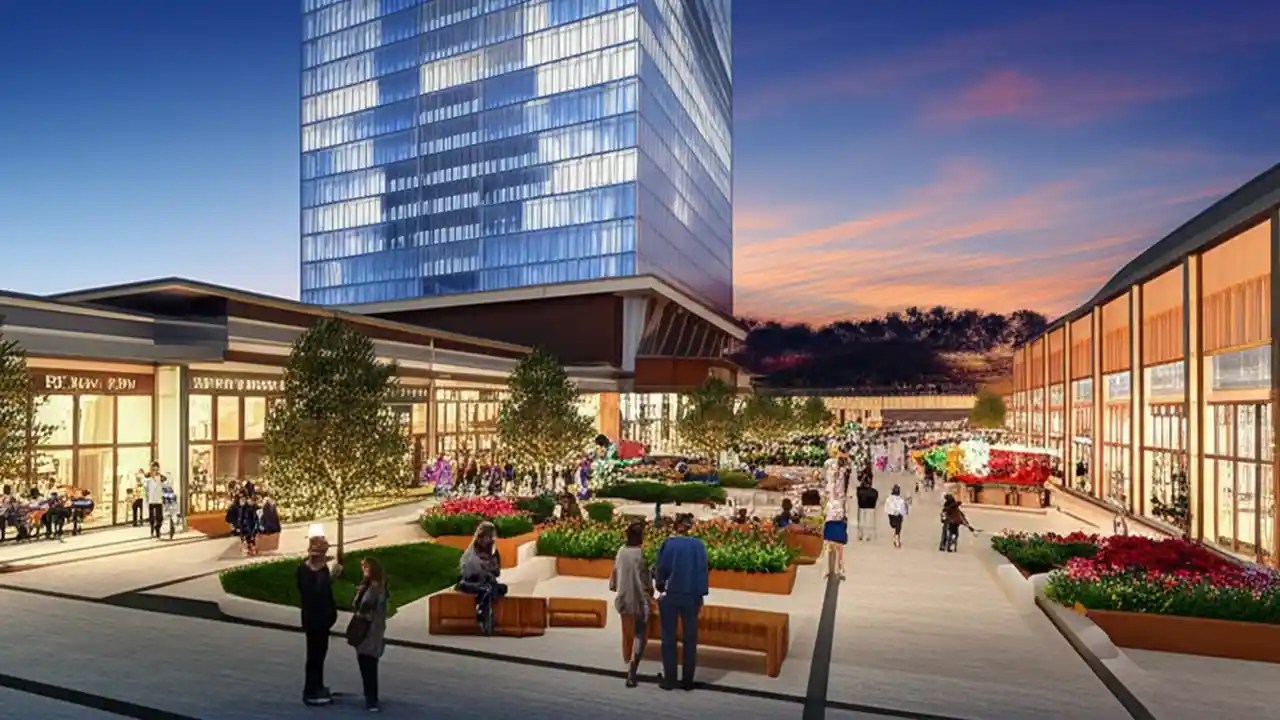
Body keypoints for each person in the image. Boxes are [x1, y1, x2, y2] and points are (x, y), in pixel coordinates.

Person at [655, 513, 708, 691]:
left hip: (671, 595)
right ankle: (687, 680)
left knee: (668, 637)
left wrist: (660, 587)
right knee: (690, 638)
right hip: (691, 596)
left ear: (676, 527)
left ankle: (670, 679)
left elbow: (661, 569)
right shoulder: (698, 546)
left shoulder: (668, 545)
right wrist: (701, 594)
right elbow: (702, 571)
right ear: (690, 527)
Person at [609, 522, 654, 688]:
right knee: (640, 633)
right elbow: (645, 581)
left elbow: (614, 576)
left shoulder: (621, 552)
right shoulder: (639, 554)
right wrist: (651, 592)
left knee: (626, 630)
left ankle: (626, 657)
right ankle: (632, 669)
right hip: (638, 600)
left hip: (623, 599)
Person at [297, 535, 340, 706]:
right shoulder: (307, 571)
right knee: (314, 656)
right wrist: (331, 578)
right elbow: (315, 594)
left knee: (320, 655)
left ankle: (318, 685)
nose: (324, 557)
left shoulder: (317, 569)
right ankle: (311, 691)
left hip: (322, 620)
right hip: (315, 620)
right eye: (322, 553)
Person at [352, 556, 388, 712]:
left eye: (367, 568)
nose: (364, 570)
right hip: (364, 631)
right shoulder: (367, 586)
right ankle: (369, 695)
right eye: (363, 568)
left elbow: (367, 607)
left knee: (369, 664)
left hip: (371, 631)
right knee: (365, 663)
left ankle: (372, 699)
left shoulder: (376, 589)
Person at [458, 521, 507, 635]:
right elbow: (468, 571)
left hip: (486, 583)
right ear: (480, 536)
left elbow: (497, 572)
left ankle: (487, 616)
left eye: (491, 537)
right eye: (487, 536)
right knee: (487, 590)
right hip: (469, 582)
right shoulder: (472, 552)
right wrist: (483, 570)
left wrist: (492, 567)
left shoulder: (493, 552)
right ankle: (481, 611)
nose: (489, 539)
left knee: (500, 589)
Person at [145, 462, 166, 539]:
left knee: (160, 517)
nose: (155, 470)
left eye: (157, 468)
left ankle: (157, 529)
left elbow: (165, 480)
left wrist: (159, 474)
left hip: (158, 500)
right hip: (151, 500)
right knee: (151, 518)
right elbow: (145, 482)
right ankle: (152, 530)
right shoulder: (148, 477)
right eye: (153, 468)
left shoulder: (160, 477)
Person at [161, 474, 180, 539]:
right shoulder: (168, 486)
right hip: (170, 504)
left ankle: (169, 532)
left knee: (168, 519)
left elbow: (166, 496)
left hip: (168, 505)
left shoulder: (164, 486)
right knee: (170, 518)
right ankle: (170, 532)